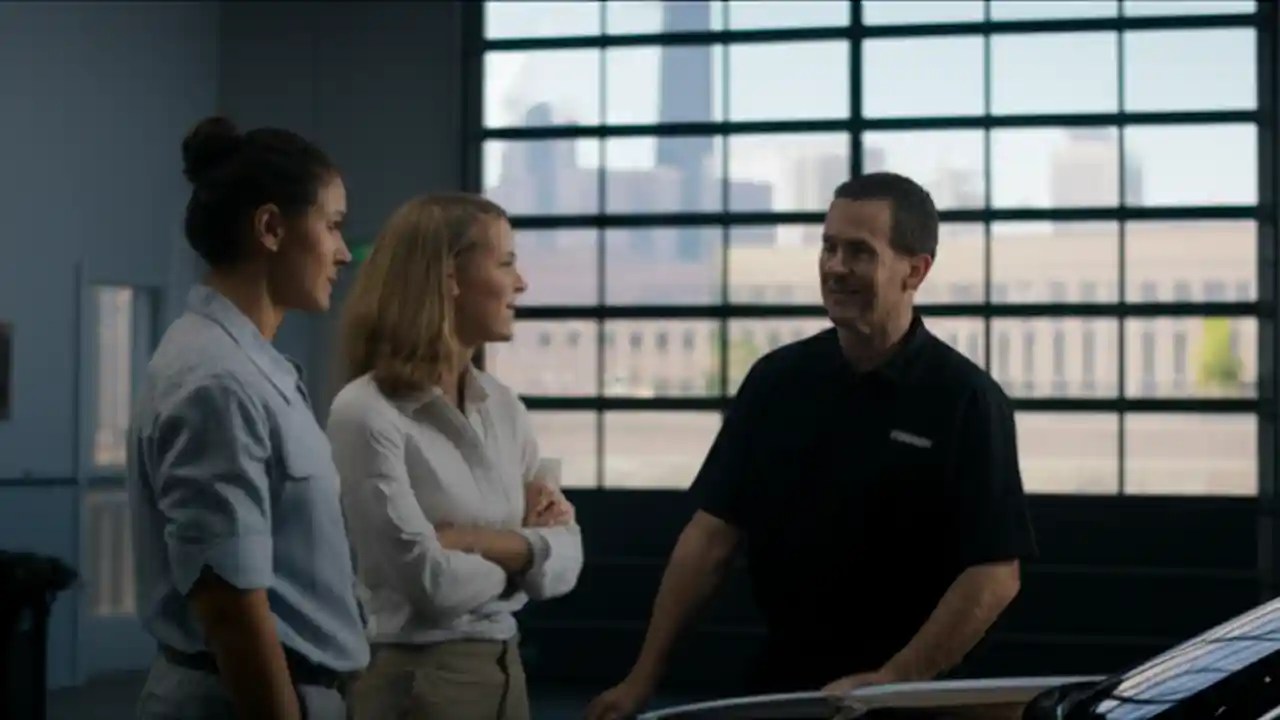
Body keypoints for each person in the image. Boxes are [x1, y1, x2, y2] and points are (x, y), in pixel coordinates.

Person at [587, 172, 1037, 718]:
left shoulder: (966, 400)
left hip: (913, 699)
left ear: (914, 271)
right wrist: (642, 677)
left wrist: (893, 680)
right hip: (786, 689)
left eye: (859, 253)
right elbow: (710, 538)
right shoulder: (777, 382)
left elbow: (994, 574)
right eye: (828, 247)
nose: (835, 267)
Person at [126, 116, 369, 720]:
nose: (343, 253)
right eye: (333, 226)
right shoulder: (218, 380)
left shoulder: (251, 367)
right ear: (270, 228)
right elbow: (232, 613)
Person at [327, 192, 584, 720]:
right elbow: (431, 585)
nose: (522, 283)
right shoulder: (366, 413)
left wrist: (474, 542)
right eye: (507, 262)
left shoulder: (504, 406)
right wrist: (527, 554)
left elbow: (568, 561)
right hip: (418, 684)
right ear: (448, 278)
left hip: (506, 670)